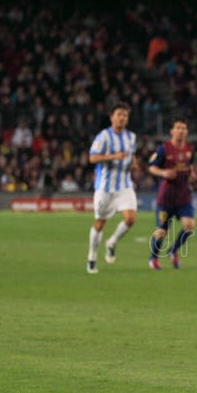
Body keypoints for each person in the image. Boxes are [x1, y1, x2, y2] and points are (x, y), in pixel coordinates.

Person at [86, 102, 139, 274]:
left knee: (130, 219)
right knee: (100, 223)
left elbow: (131, 155)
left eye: (125, 115)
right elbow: (92, 158)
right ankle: (92, 256)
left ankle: (112, 242)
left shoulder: (131, 137)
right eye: (119, 115)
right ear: (112, 117)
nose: (122, 118)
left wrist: (134, 164)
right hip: (105, 188)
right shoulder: (103, 136)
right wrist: (113, 156)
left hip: (124, 185)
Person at [147, 118, 197, 270]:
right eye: (178, 128)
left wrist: (193, 175)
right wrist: (163, 172)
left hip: (183, 196)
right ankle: (153, 258)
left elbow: (191, 167)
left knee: (189, 226)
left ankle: (173, 251)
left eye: (184, 128)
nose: (181, 130)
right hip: (166, 198)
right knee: (161, 232)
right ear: (172, 131)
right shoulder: (163, 149)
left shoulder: (190, 149)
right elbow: (151, 167)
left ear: (187, 132)